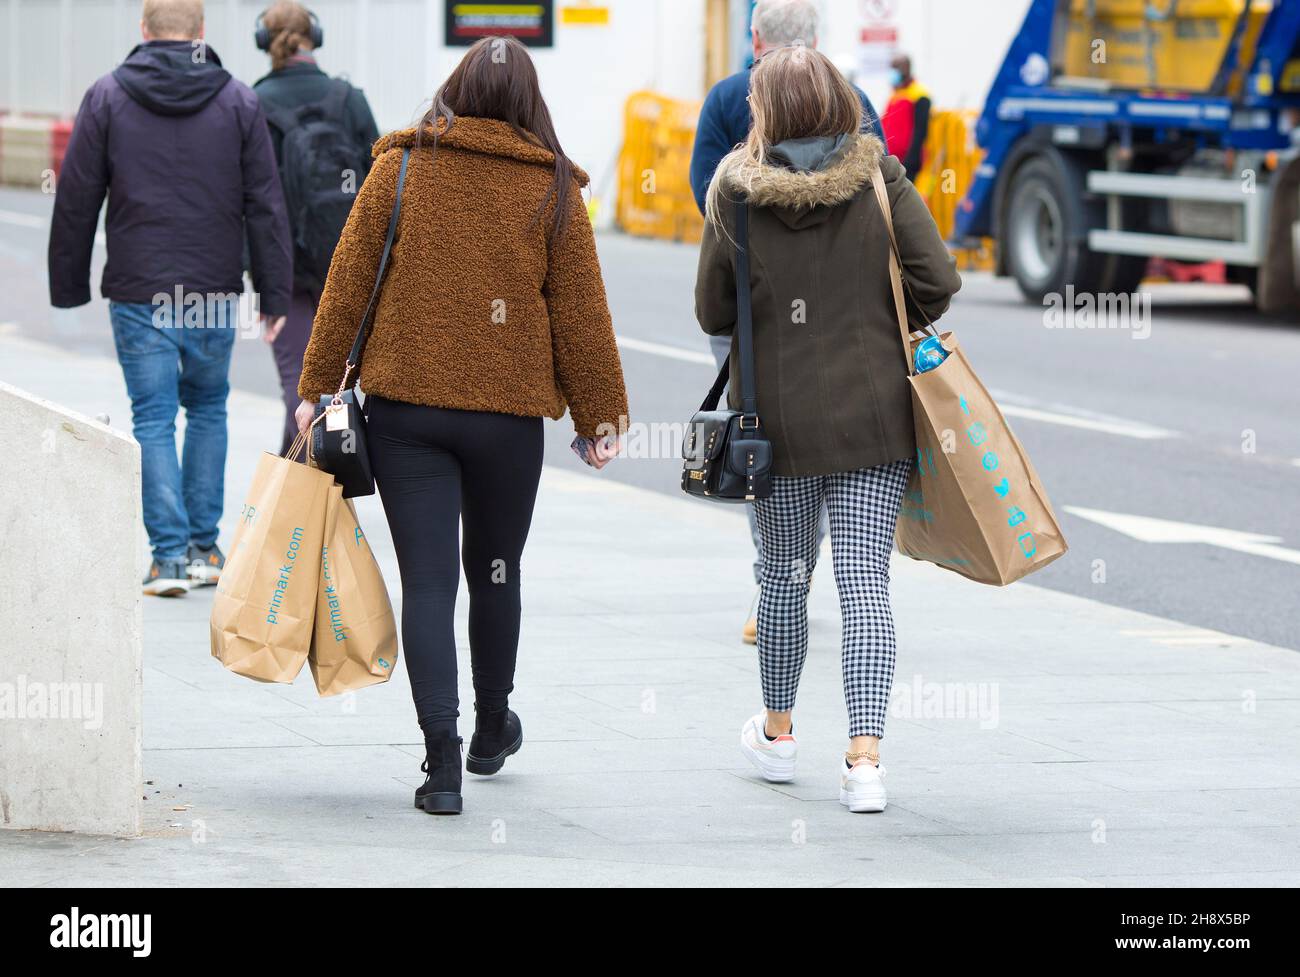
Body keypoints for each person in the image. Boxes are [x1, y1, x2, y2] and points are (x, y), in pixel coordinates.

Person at [295, 36, 628, 816]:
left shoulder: (402, 165)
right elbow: (581, 312)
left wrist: (317, 386)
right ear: (528, 104)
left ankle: (440, 764)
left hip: (407, 413)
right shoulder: (551, 187)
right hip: (508, 421)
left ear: (454, 88)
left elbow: (347, 281)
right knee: (496, 570)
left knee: (431, 582)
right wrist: (600, 416)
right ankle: (489, 728)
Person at [695, 47, 961, 813]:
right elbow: (938, 282)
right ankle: (866, 760)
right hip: (876, 419)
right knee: (865, 585)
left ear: (766, 111)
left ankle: (778, 735)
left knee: (782, 577)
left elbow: (713, 312)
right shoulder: (881, 179)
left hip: (773, 430)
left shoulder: (736, 194)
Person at [48, 0, 291, 597]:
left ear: (144, 31)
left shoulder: (107, 96)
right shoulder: (238, 99)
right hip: (212, 287)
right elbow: (265, 200)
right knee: (208, 409)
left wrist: (68, 282)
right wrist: (274, 290)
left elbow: (78, 194)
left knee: (153, 418)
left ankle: (168, 560)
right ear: (201, 33)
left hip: (138, 287)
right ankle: (205, 548)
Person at [689, 0, 884, 644]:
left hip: (753, 306)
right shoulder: (854, 101)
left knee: (759, 443)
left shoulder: (725, 99)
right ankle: (797, 580)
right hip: (842, 309)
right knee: (832, 437)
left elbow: (707, 194)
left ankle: (774, 586)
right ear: (819, 40)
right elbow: (882, 196)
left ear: (754, 39)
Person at [251, 2, 380, 457]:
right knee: (334, 394)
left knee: (301, 391)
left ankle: (295, 508)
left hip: (284, 272)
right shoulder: (350, 100)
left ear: (265, 43)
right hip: (351, 270)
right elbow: (381, 187)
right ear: (316, 38)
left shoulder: (253, 103)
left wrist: (263, 286)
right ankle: (307, 508)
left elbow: (248, 199)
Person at [881, 54, 931, 181]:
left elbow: (920, 130)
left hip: (908, 162)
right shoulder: (895, 95)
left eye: (895, 69)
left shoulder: (919, 94)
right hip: (892, 160)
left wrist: (911, 160)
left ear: (905, 69)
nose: (892, 73)